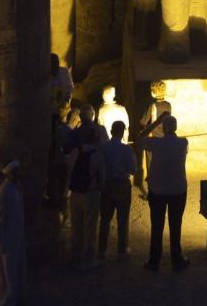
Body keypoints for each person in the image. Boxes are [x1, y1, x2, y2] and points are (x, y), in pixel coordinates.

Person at [137, 112, 189, 272]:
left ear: (163, 128)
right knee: (176, 225)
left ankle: (154, 261)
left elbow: (139, 138)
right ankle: (176, 259)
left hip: (158, 190)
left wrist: (156, 122)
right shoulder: (183, 142)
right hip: (177, 189)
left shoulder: (156, 143)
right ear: (175, 128)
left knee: (157, 226)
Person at [0, 160, 26, 306]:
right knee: (5, 271)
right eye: (16, 171)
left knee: (14, 268)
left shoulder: (16, 187)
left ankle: (14, 297)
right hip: (6, 238)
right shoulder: (3, 192)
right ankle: (4, 300)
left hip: (15, 235)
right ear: (10, 173)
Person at [68, 121, 105, 271]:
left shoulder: (75, 152)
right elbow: (101, 176)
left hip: (75, 193)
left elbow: (69, 170)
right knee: (89, 227)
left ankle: (75, 256)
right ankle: (88, 259)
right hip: (90, 193)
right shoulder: (97, 155)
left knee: (76, 226)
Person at [98, 120, 137, 259]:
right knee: (122, 218)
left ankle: (102, 250)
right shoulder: (126, 149)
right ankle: (121, 250)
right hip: (121, 185)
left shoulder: (103, 148)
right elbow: (133, 169)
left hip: (107, 185)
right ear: (122, 133)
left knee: (105, 219)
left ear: (111, 131)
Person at [138, 80, 171, 195]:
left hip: (152, 141)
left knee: (151, 167)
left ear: (153, 93)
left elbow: (143, 122)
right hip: (165, 140)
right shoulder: (168, 105)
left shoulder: (152, 106)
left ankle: (151, 193)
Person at [50, 53, 73, 130]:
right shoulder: (44, 74)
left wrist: (67, 98)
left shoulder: (64, 72)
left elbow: (70, 89)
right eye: (53, 63)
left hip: (63, 107)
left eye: (57, 62)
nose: (55, 65)